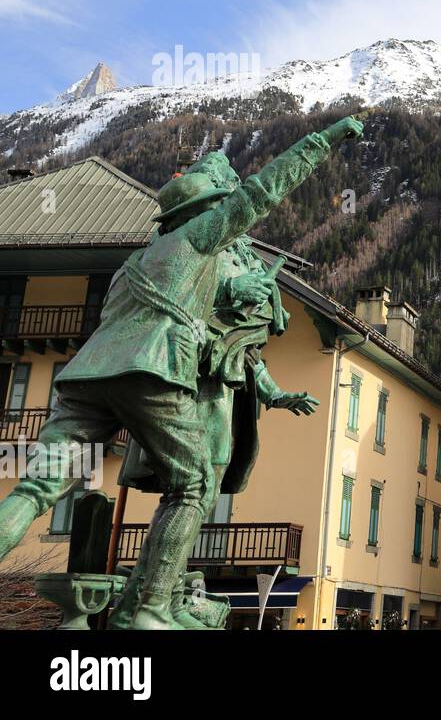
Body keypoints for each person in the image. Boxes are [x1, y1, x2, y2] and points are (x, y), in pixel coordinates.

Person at [0, 115, 362, 629]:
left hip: (83, 381)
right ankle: (148, 611)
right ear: (203, 210)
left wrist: (233, 296)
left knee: (33, 491)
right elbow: (263, 190)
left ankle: (145, 606)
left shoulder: (134, 263)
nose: (227, 216)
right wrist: (323, 140)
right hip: (152, 373)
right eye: (219, 206)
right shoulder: (199, 239)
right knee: (193, 486)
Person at [110, 151, 320, 629]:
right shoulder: (196, 249)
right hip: (188, 379)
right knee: (190, 489)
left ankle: (163, 591)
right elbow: (197, 314)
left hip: (222, 386)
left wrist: (274, 393)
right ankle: (152, 599)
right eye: (222, 192)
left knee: (201, 490)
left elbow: (242, 346)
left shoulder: (234, 252)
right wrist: (231, 292)